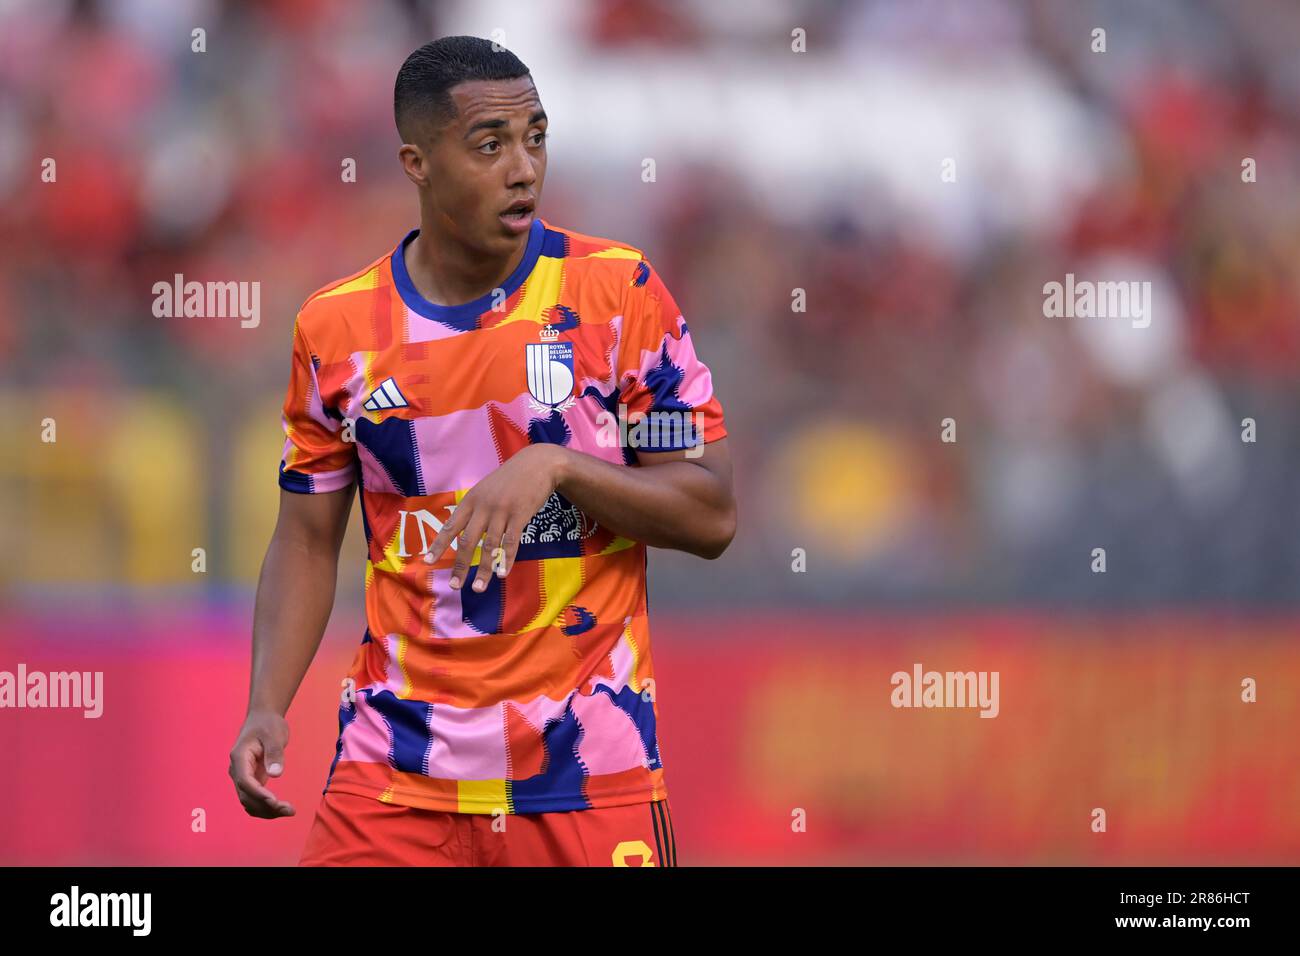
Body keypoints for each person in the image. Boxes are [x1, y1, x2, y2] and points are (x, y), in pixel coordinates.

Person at [227, 35, 735, 867]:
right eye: (490, 145)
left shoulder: (619, 296)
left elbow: (711, 512)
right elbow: (306, 540)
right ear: (417, 163)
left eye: (535, 137)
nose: (523, 167)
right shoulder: (337, 329)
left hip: (584, 771)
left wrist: (560, 466)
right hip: (393, 772)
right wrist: (267, 704)